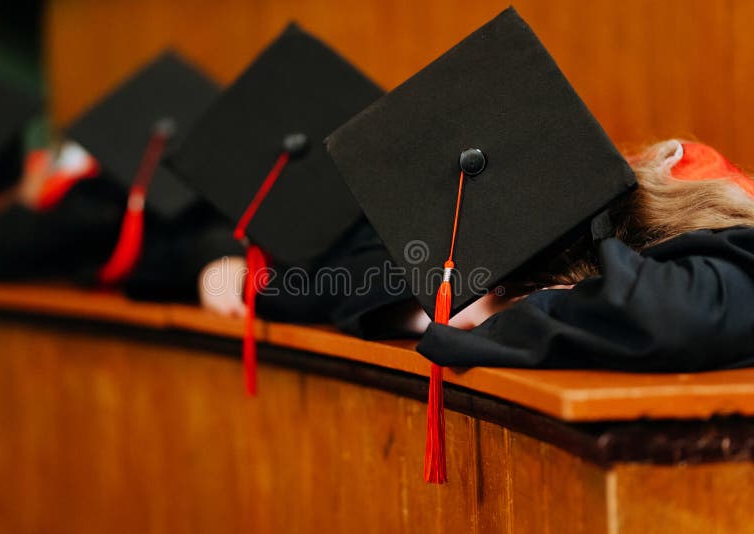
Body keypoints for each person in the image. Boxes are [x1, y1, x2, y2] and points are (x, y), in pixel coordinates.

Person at [200, 139, 754, 372]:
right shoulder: (558, 229)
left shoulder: (726, 251)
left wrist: (502, 312)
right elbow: (368, 277)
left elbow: (674, 313)